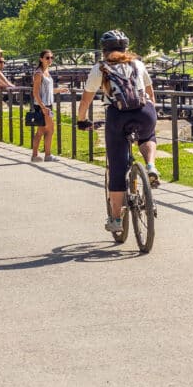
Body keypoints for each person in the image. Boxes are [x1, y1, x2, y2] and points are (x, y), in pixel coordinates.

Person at [75, 30, 160, 235]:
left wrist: (81, 120)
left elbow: (86, 99)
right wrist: (152, 112)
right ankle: (150, 165)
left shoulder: (100, 68)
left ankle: (115, 219)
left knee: (117, 167)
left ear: (104, 50)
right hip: (144, 112)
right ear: (125, 49)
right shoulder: (137, 64)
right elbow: (150, 92)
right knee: (147, 136)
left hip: (118, 116)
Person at [30, 49, 56, 163]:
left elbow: (47, 90)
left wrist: (59, 90)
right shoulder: (39, 73)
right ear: (41, 59)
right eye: (47, 58)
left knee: (41, 130)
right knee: (49, 130)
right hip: (43, 106)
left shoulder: (47, 72)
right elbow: (35, 92)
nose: (50, 60)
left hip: (48, 104)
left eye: (51, 57)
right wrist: (43, 107)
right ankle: (47, 155)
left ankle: (36, 155)